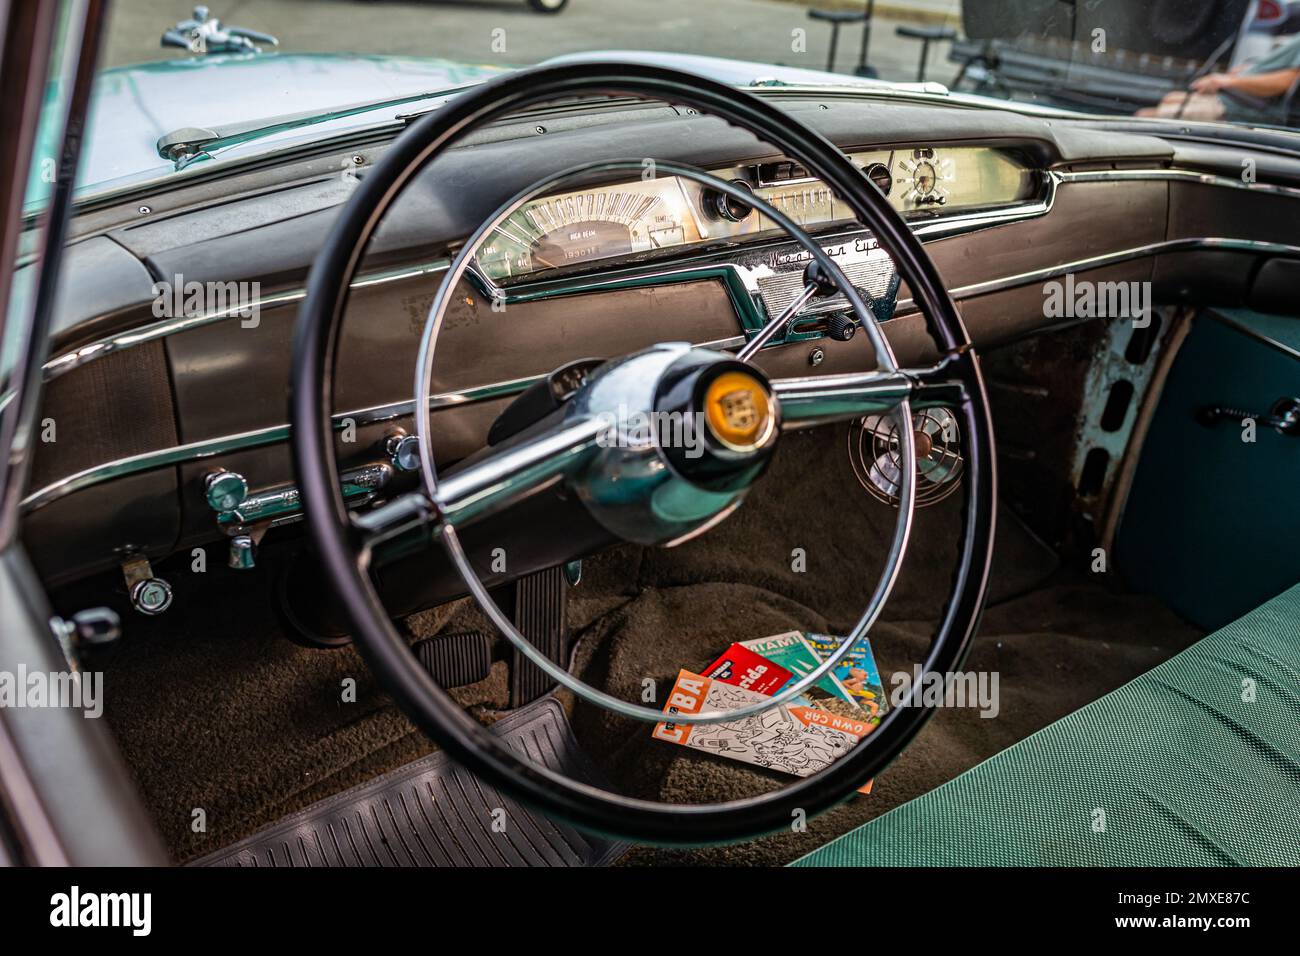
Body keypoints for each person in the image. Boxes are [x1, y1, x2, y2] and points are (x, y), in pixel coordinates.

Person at [1137, 33, 1300, 123]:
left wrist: (1226, 81)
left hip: (1248, 106)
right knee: (1169, 99)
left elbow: (1287, 81)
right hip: (1236, 98)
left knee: (1145, 116)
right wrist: (1247, 71)